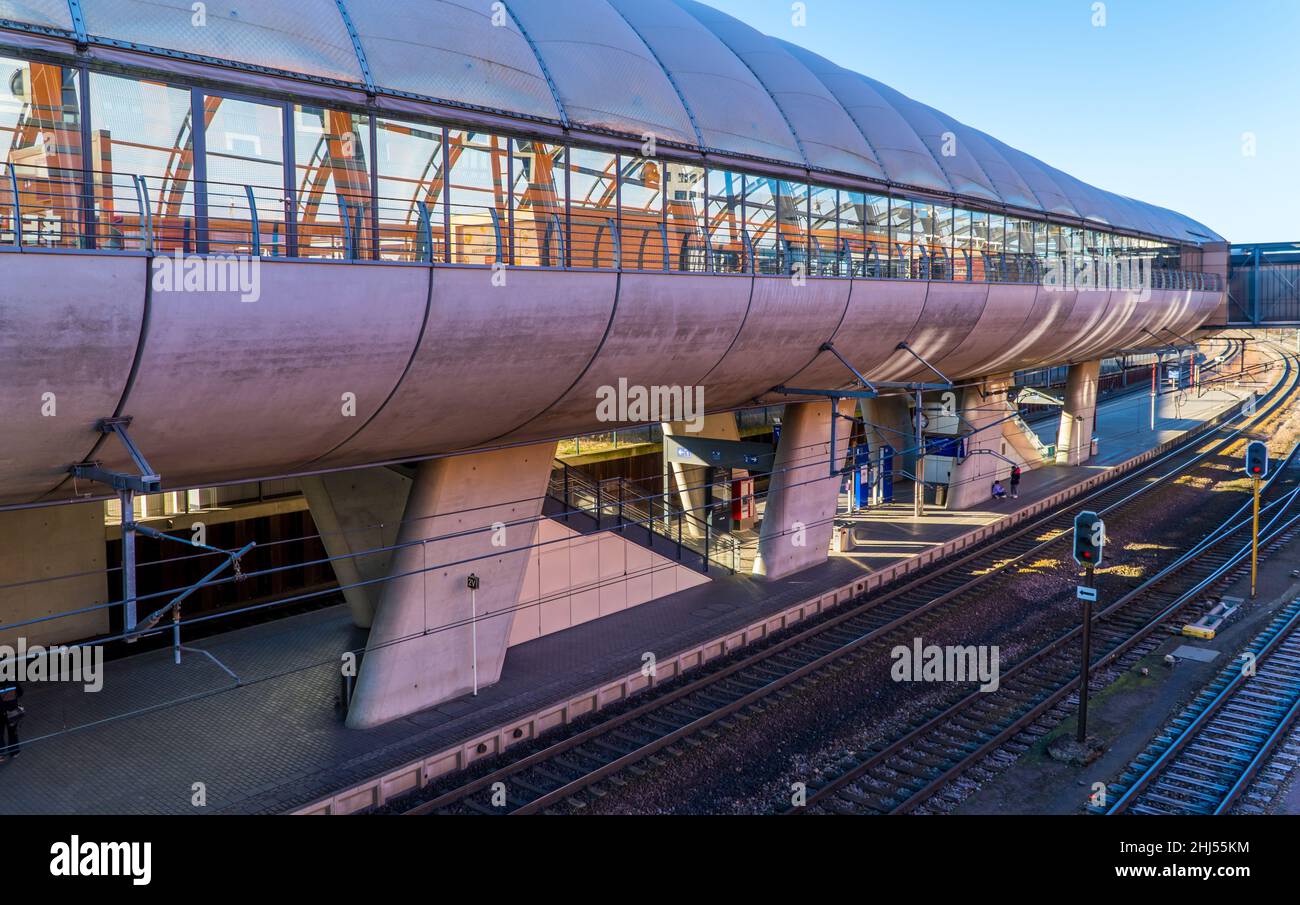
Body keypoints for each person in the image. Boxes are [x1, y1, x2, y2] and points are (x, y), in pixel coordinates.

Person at [0, 680, 22, 761]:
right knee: (13, 733)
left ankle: (1, 754)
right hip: (12, 712)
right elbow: (20, 693)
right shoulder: (12, 681)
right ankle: (14, 752)